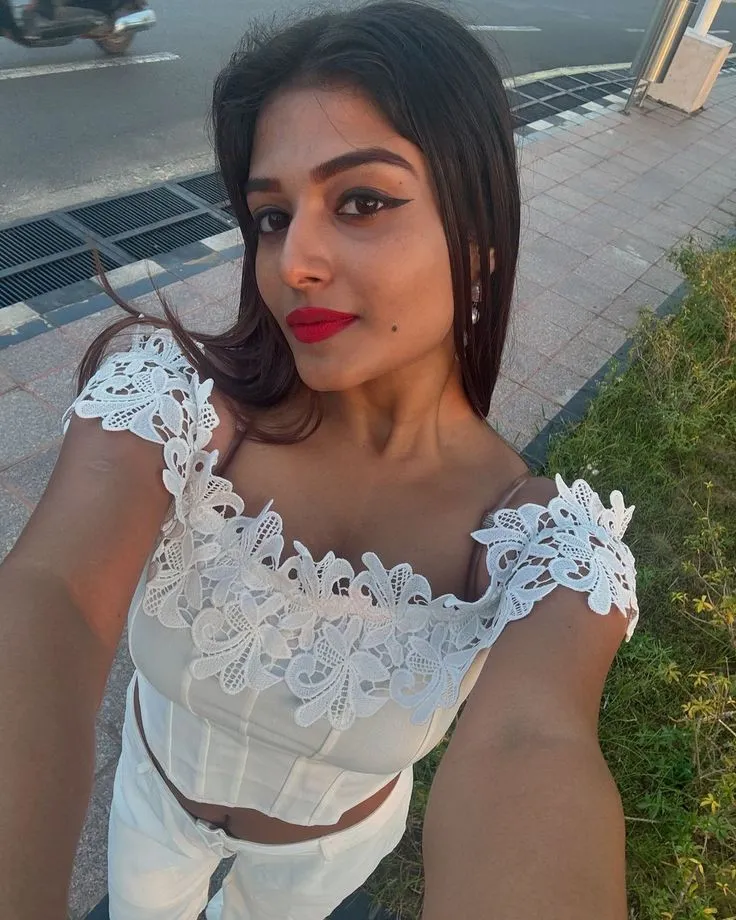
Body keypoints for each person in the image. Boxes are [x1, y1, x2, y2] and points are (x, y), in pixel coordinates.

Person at [0, 2, 640, 918]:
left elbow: (533, 744)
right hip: (152, 806)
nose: (292, 261)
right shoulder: (178, 408)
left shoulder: (542, 554)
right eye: (271, 215)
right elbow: (51, 593)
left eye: (362, 202)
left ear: (480, 239)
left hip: (319, 865)